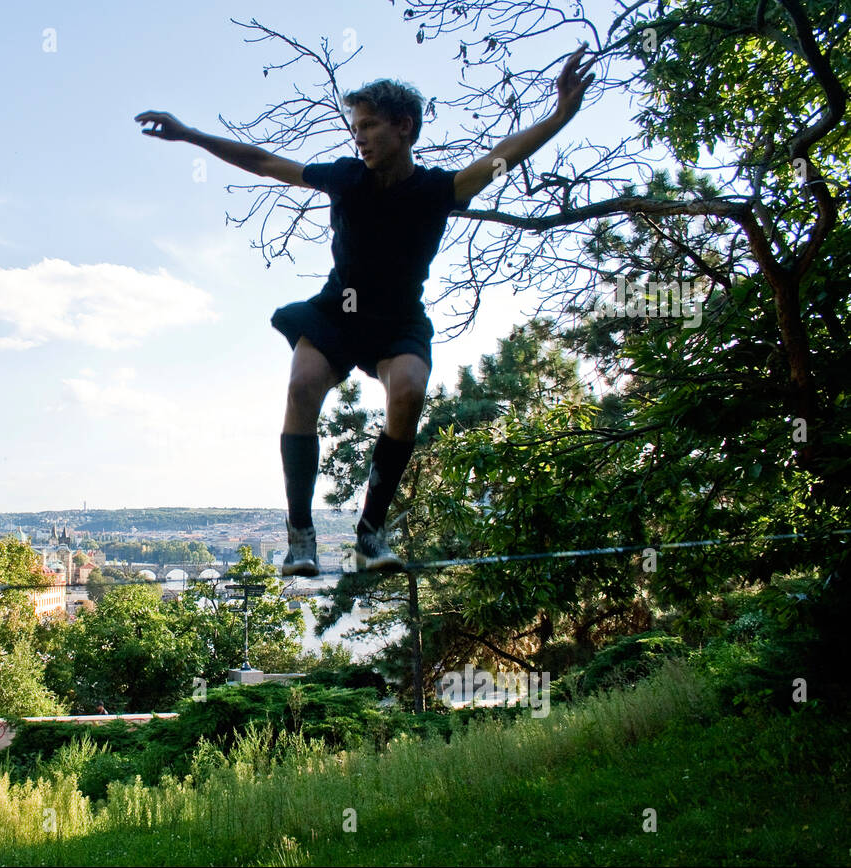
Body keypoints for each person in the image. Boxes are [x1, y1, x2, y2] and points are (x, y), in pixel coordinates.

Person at [136, 46, 595, 575]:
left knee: (408, 390)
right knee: (302, 385)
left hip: (398, 320)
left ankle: (370, 536)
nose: (359, 136)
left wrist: (559, 115)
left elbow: (501, 157)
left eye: (370, 126)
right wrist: (189, 134)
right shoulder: (346, 178)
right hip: (337, 312)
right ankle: (300, 538)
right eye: (355, 127)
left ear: (404, 127)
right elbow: (264, 163)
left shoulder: (435, 190)